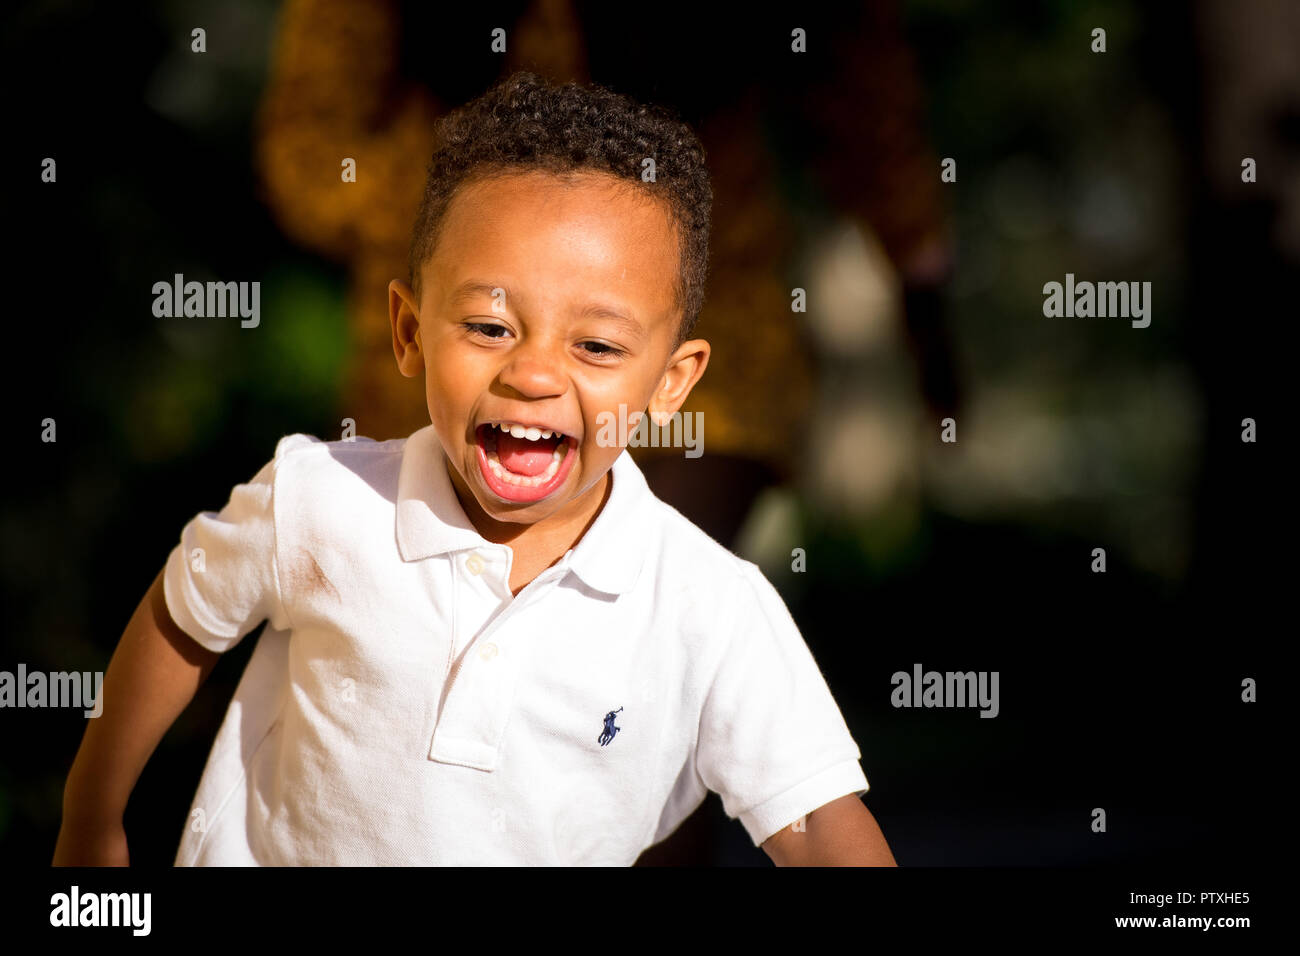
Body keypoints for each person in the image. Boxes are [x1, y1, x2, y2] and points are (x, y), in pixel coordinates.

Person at [53, 72, 896, 866]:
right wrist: (90, 819)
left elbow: (817, 819)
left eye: (596, 345)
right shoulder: (321, 502)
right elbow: (185, 611)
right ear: (411, 333)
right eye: (490, 328)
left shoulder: (707, 607)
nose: (532, 374)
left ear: (670, 384)